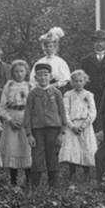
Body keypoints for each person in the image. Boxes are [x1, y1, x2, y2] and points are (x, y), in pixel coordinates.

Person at [25, 61, 67, 189]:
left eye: (45, 75)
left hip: (53, 130)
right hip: (37, 130)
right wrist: (29, 134)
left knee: (52, 156)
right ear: (35, 77)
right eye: (40, 75)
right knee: (37, 156)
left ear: (50, 76)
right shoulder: (32, 94)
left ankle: (53, 186)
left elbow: (62, 113)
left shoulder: (56, 93)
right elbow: (27, 114)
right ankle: (35, 186)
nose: (43, 77)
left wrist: (61, 132)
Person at [0, 59, 34, 187]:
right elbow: (2, 107)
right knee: (12, 148)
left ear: (26, 72)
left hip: (26, 120)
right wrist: (9, 120)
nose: (19, 74)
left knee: (26, 148)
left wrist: (29, 121)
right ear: (12, 73)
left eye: (21, 71)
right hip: (12, 119)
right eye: (16, 71)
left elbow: (34, 106)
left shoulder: (30, 86)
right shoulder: (9, 86)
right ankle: (13, 181)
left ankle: (28, 180)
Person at [60, 69, 98, 182]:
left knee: (86, 147)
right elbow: (65, 112)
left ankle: (87, 173)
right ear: (72, 82)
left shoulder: (89, 95)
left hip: (85, 125)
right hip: (73, 124)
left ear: (85, 81)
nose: (78, 83)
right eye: (75, 81)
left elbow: (93, 112)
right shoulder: (68, 95)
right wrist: (71, 126)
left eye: (81, 81)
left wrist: (84, 125)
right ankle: (72, 173)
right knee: (73, 148)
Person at [80, 30, 105, 108]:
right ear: (93, 43)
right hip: (91, 95)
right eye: (97, 41)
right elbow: (82, 79)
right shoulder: (86, 60)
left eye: (102, 41)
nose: (99, 44)